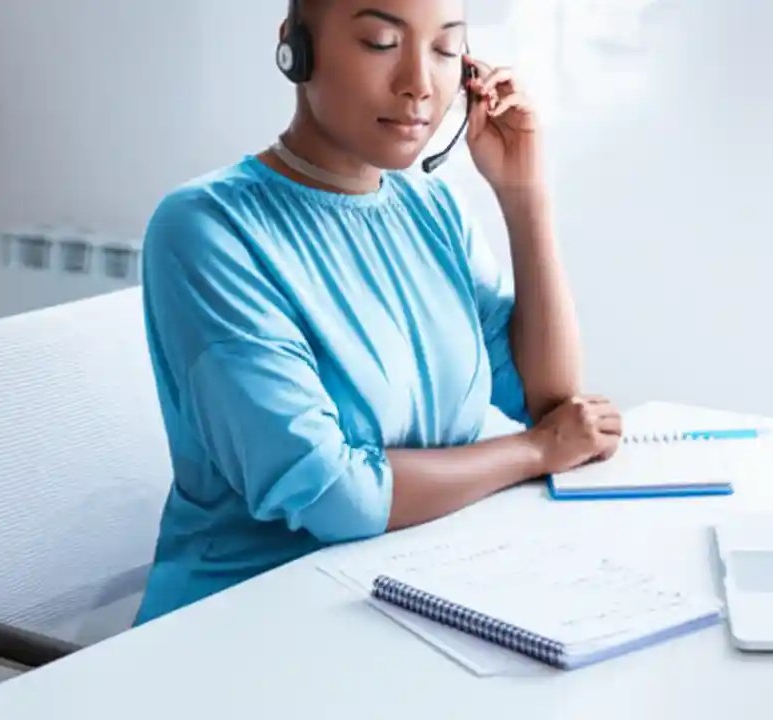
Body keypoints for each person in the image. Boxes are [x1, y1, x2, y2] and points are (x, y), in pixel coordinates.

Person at [131, 0, 623, 625]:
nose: (420, 83)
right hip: (248, 623)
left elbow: (547, 398)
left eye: (446, 51)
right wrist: (533, 453)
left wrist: (525, 198)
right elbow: (336, 497)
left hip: (412, 591)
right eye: (381, 42)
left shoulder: (433, 209)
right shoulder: (208, 229)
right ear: (296, 49)